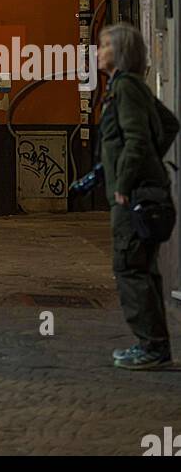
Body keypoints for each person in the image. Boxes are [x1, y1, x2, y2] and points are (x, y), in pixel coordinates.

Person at [96, 22, 175, 370]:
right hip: (149, 188)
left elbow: (136, 140)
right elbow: (169, 123)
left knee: (129, 266)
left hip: (134, 195)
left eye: (103, 46)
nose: (97, 52)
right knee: (144, 267)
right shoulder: (133, 87)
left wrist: (123, 185)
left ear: (121, 52)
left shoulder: (125, 88)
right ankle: (154, 343)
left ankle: (151, 347)